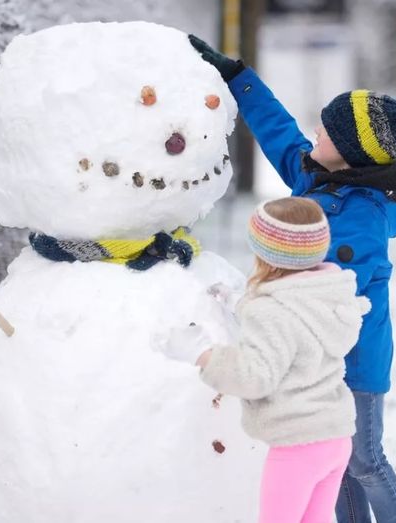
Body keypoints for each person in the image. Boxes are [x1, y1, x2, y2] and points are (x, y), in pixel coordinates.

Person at [187, 34, 396, 523]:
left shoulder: (363, 217)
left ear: (347, 154)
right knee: (337, 461)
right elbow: (279, 132)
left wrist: (260, 307)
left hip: (356, 361)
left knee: (364, 461)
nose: (313, 139)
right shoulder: (319, 179)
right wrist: (238, 77)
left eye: (324, 135)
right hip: (319, 360)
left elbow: (332, 294)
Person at [153, 196, 370, 523]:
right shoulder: (328, 295)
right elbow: (294, 322)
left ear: (267, 254)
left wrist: (202, 353)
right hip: (336, 438)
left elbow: (255, 376)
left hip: (298, 447)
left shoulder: (272, 311)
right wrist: (239, 303)